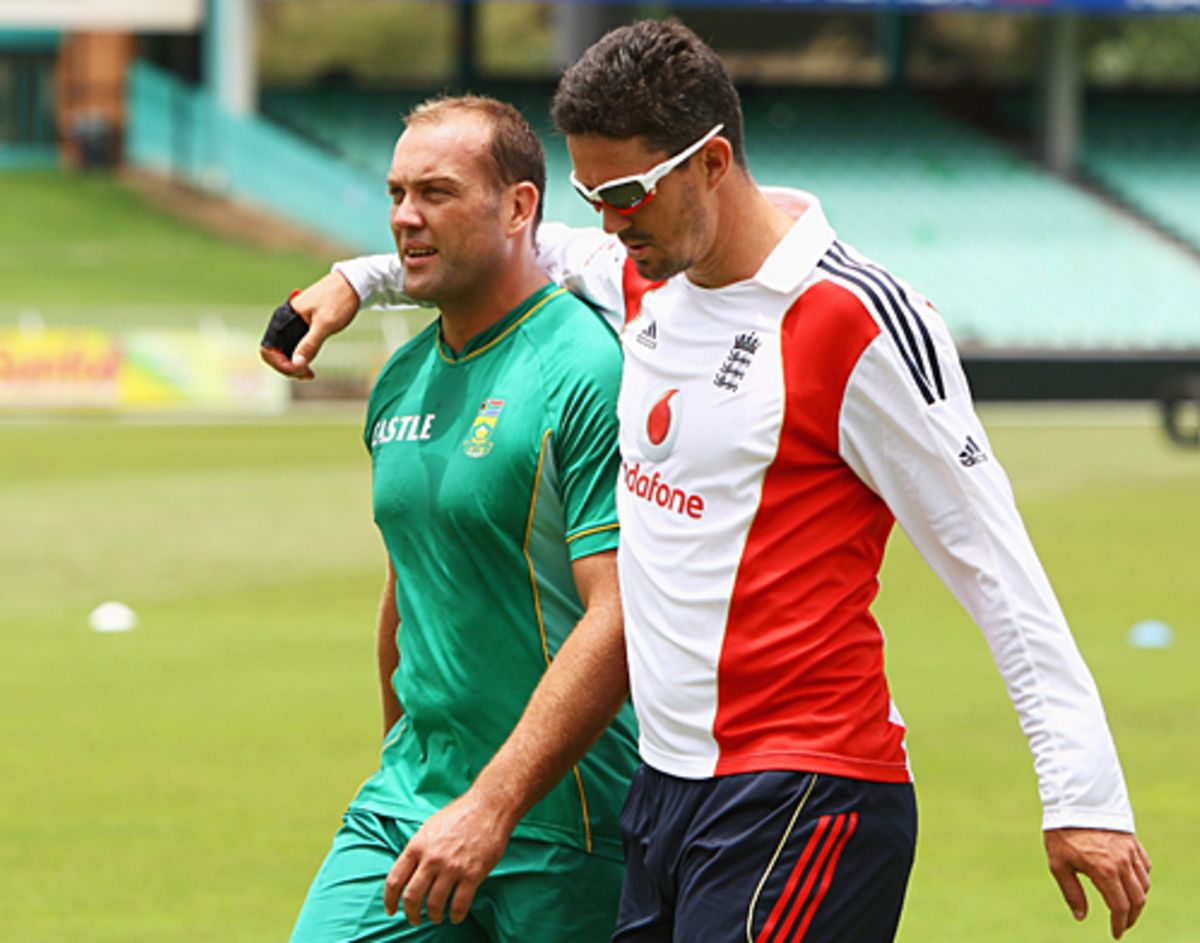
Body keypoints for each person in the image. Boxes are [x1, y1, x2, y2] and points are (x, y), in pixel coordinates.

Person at [265, 21, 1151, 943]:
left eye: (628, 193)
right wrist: (356, 281)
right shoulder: (644, 273)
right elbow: (527, 250)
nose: (610, 221)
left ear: (713, 161)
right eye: (591, 195)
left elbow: (994, 564)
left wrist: (1081, 791)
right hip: (664, 788)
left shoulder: (857, 322)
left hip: (811, 790)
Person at [263, 95, 639, 943]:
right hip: (410, 809)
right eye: (397, 192)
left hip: (565, 823)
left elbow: (619, 616)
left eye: (435, 192)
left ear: (518, 208)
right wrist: (405, 762)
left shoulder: (587, 368)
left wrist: (493, 804)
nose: (405, 217)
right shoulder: (399, 380)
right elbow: (409, 587)